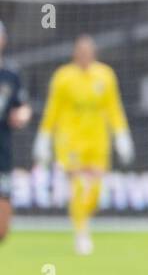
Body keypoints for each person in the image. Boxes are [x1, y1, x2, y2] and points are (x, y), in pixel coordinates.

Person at [32, 34, 133, 254]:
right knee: (78, 186)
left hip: (97, 141)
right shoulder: (63, 77)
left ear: (94, 54)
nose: (85, 56)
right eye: (81, 52)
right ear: (75, 54)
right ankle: (81, 232)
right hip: (70, 141)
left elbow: (113, 108)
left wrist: (122, 136)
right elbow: (53, 110)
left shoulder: (105, 75)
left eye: (89, 52)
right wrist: (44, 137)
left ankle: (83, 220)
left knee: (95, 192)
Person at [0, 20, 33, 243]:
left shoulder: (11, 74)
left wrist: (23, 114)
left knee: (2, 229)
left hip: (2, 152)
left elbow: (23, 105)